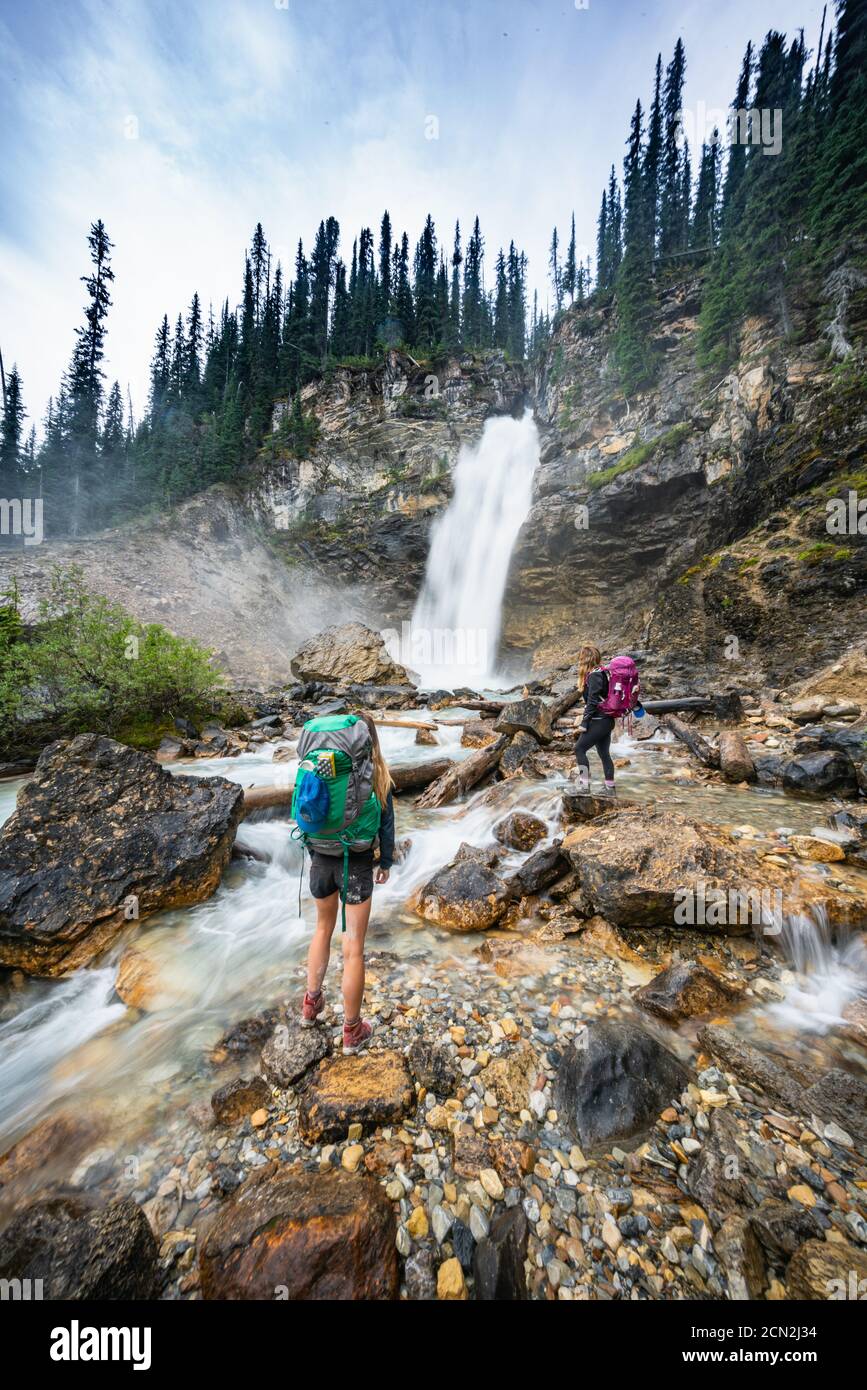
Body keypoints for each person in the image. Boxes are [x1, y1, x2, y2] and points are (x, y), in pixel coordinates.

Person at [300, 713, 395, 1054]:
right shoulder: (378, 776)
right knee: (353, 946)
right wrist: (385, 862)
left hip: (320, 858)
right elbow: (386, 827)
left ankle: (311, 1006)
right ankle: (353, 1031)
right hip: (355, 862)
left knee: (322, 930)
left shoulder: (323, 769)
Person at [573, 643, 617, 794]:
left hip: (600, 720)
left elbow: (593, 701)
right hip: (606, 720)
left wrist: (584, 723)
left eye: (581, 658)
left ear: (585, 659)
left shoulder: (594, 675)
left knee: (579, 749)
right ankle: (610, 788)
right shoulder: (603, 672)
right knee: (604, 754)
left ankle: (584, 787)